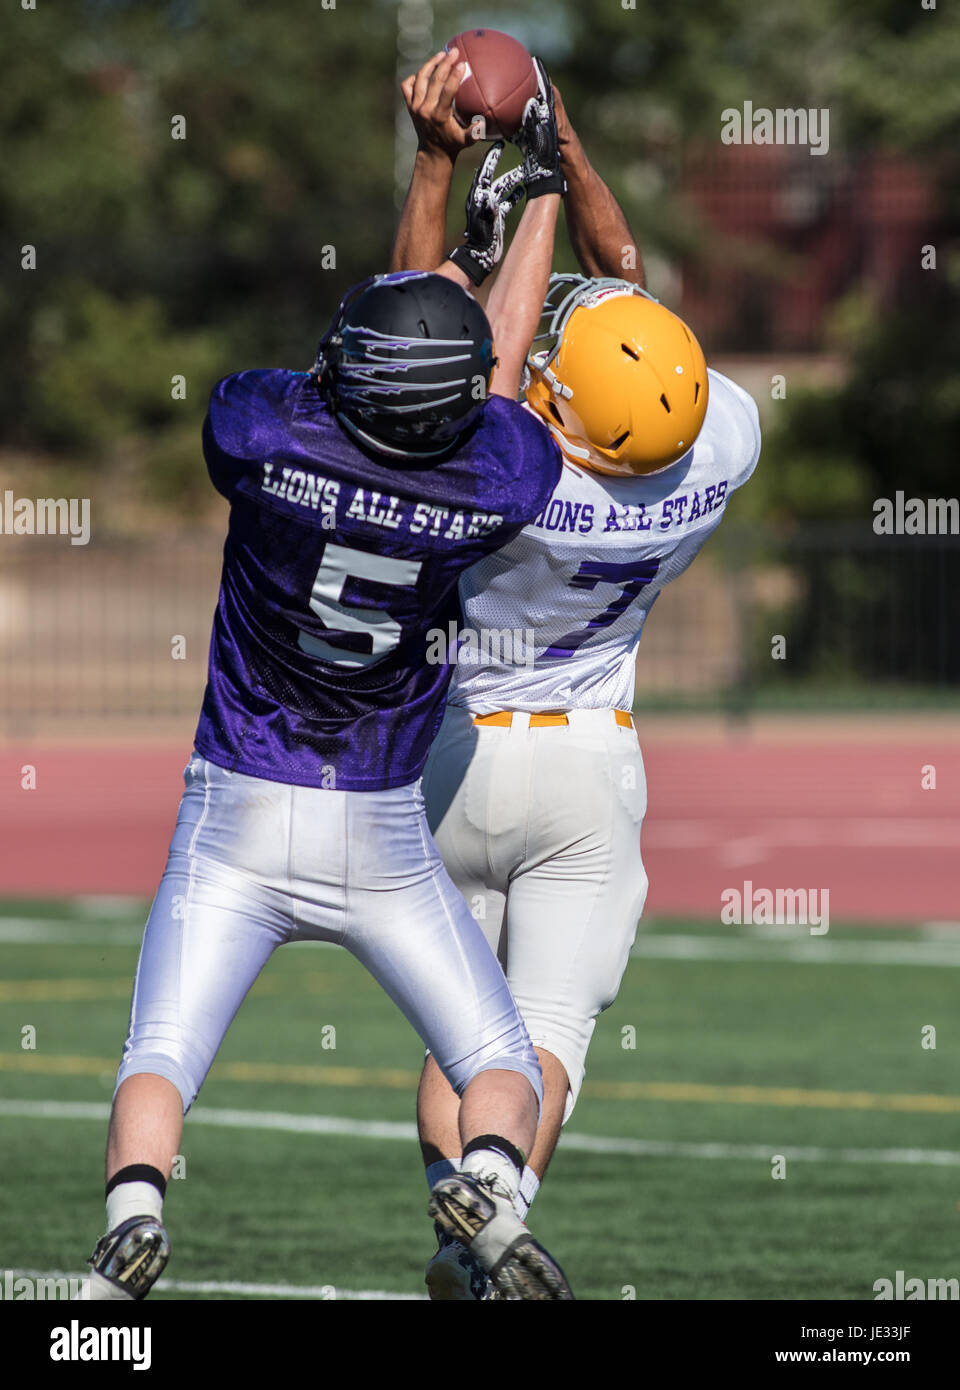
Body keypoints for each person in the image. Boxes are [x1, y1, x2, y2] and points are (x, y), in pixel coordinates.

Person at [82, 77, 576, 1302]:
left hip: (236, 808)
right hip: (382, 828)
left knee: (161, 1053)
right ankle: (496, 1192)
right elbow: (495, 374)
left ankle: (132, 1217)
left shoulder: (263, 434)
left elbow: (342, 365)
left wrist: (426, 178)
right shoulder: (492, 482)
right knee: (496, 1059)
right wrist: (535, 205)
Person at [392, 50, 761, 1299]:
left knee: (458, 1028)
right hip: (588, 769)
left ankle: (459, 1232)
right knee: (548, 1033)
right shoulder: (713, 446)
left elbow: (461, 350)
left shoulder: (513, 472)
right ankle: (496, 1209)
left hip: (451, 756)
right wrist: (567, 151)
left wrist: (466, 172)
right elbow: (635, 293)